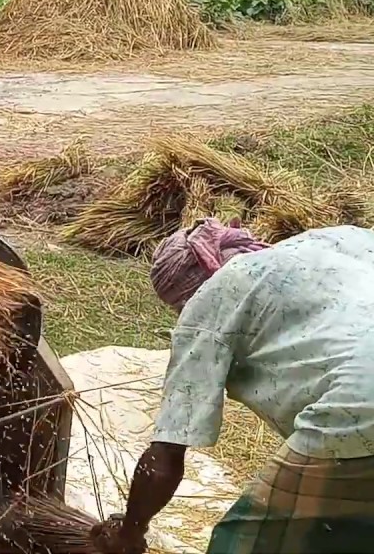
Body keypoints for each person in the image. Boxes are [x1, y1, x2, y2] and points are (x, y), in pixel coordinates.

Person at [91, 218, 374, 554]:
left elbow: (166, 453)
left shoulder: (215, 295)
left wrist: (129, 532)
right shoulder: (334, 240)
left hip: (360, 401)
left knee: (244, 542)